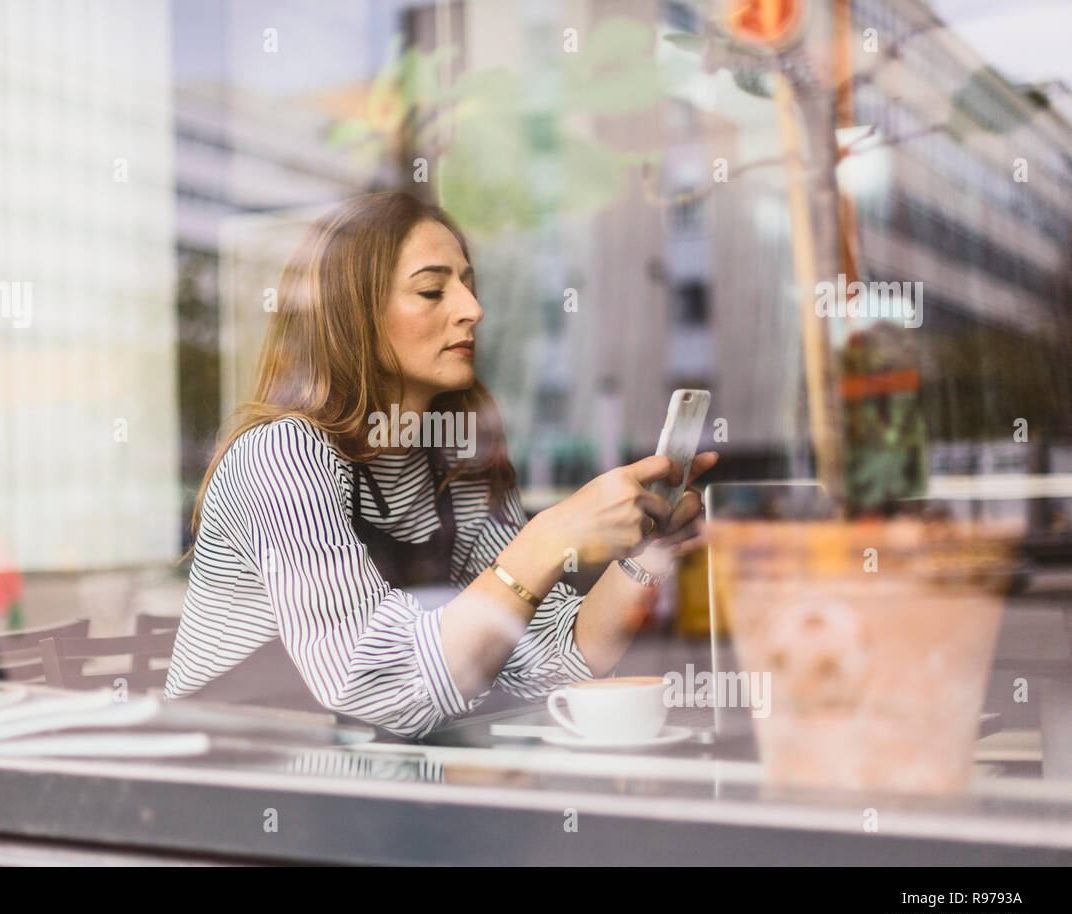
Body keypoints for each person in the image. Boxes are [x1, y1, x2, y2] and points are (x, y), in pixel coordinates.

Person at [164, 191, 716, 738]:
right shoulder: (281, 455)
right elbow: (374, 686)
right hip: (234, 776)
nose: (472, 309)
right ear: (351, 314)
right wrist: (549, 539)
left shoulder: (456, 461)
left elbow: (548, 662)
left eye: (468, 286)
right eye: (432, 290)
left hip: (362, 777)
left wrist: (650, 553)